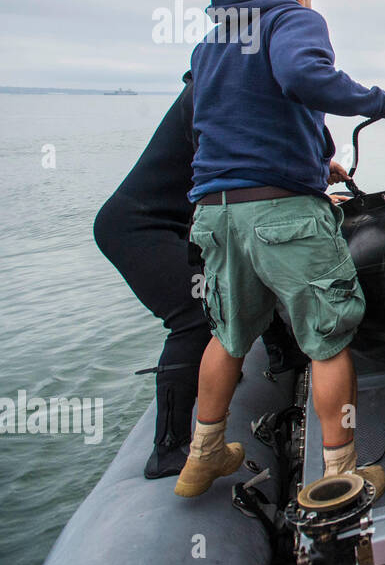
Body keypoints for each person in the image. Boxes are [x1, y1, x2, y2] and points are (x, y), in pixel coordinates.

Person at [176, 0, 385, 499]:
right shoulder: (294, 17)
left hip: (218, 211)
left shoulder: (216, 37)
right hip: (282, 215)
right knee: (328, 339)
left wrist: (318, 158)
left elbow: (232, 114)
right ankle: (341, 478)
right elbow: (301, 77)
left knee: (228, 335)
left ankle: (203, 456)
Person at [93, 75, 311, 479]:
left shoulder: (225, 94)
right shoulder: (208, 94)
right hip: (137, 228)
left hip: (176, 225)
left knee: (245, 278)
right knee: (196, 315)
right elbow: (233, 170)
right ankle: (169, 449)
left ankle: (282, 355)